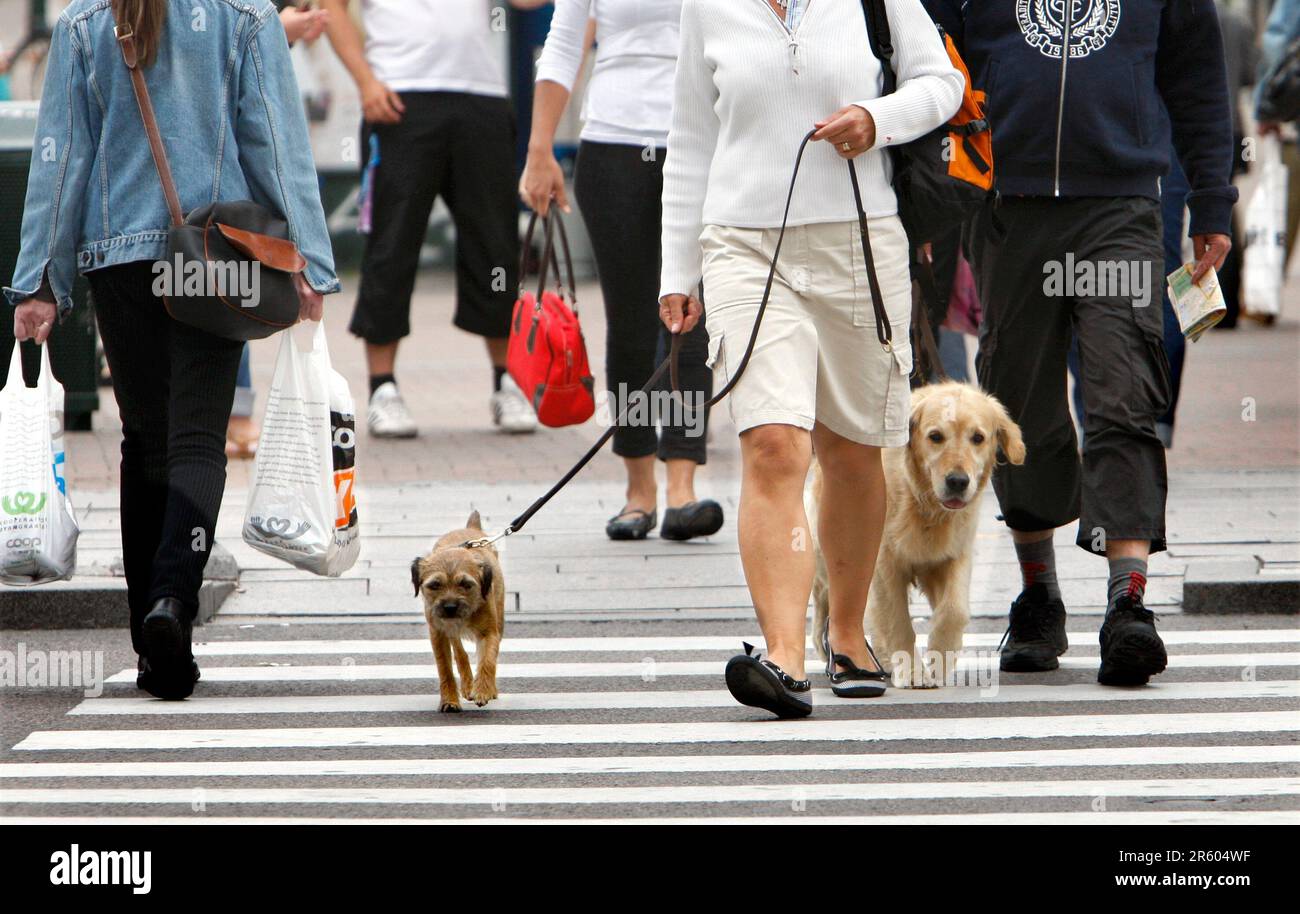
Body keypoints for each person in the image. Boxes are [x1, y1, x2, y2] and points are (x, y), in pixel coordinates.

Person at [5, 0, 338, 699]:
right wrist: (307, 257)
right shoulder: (244, 15)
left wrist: (40, 279)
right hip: (213, 256)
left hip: (118, 259)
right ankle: (172, 601)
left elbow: (61, 157)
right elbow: (274, 141)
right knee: (198, 440)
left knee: (144, 440)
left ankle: (152, 646)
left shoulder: (82, 22)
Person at [660, 0, 962, 717]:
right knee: (773, 444)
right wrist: (677, 269)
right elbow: (691, 133)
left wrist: (876, 118)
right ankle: (783, 656)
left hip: (859, 242)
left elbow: (943, 83)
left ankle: (848, 633)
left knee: (852, 450)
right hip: (742, 245)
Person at [926, 0, 1238, 685]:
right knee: (1017, 408)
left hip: (1120, 207)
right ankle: (1038, 595)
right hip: (1005, 207)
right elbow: (928, 59)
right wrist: (927, 199)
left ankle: (1128, 603)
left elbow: (1197, 78)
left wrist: (1213, 199)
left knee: (1124, 391)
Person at [520, 0, 724, 542]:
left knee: (690, 317)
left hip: (700, 141)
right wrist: (539, 150)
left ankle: (682, 486)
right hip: (613, 145)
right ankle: (639, 489)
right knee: (631, 322)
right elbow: (563, 46)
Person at [319, 0, 548, 438]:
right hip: (400, 94)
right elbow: (331, 7)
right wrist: (365, 82)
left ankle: (507, 380)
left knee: (496, 247)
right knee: (391, 243)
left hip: (481, 92)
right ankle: (383, 388)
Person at [226, 1, 333, 462]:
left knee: (218, 286)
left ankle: (234, 411)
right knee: (219, 281)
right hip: (210, 191)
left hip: (130, 229)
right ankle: (228, 415)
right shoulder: (240, 16)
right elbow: (273, 145)